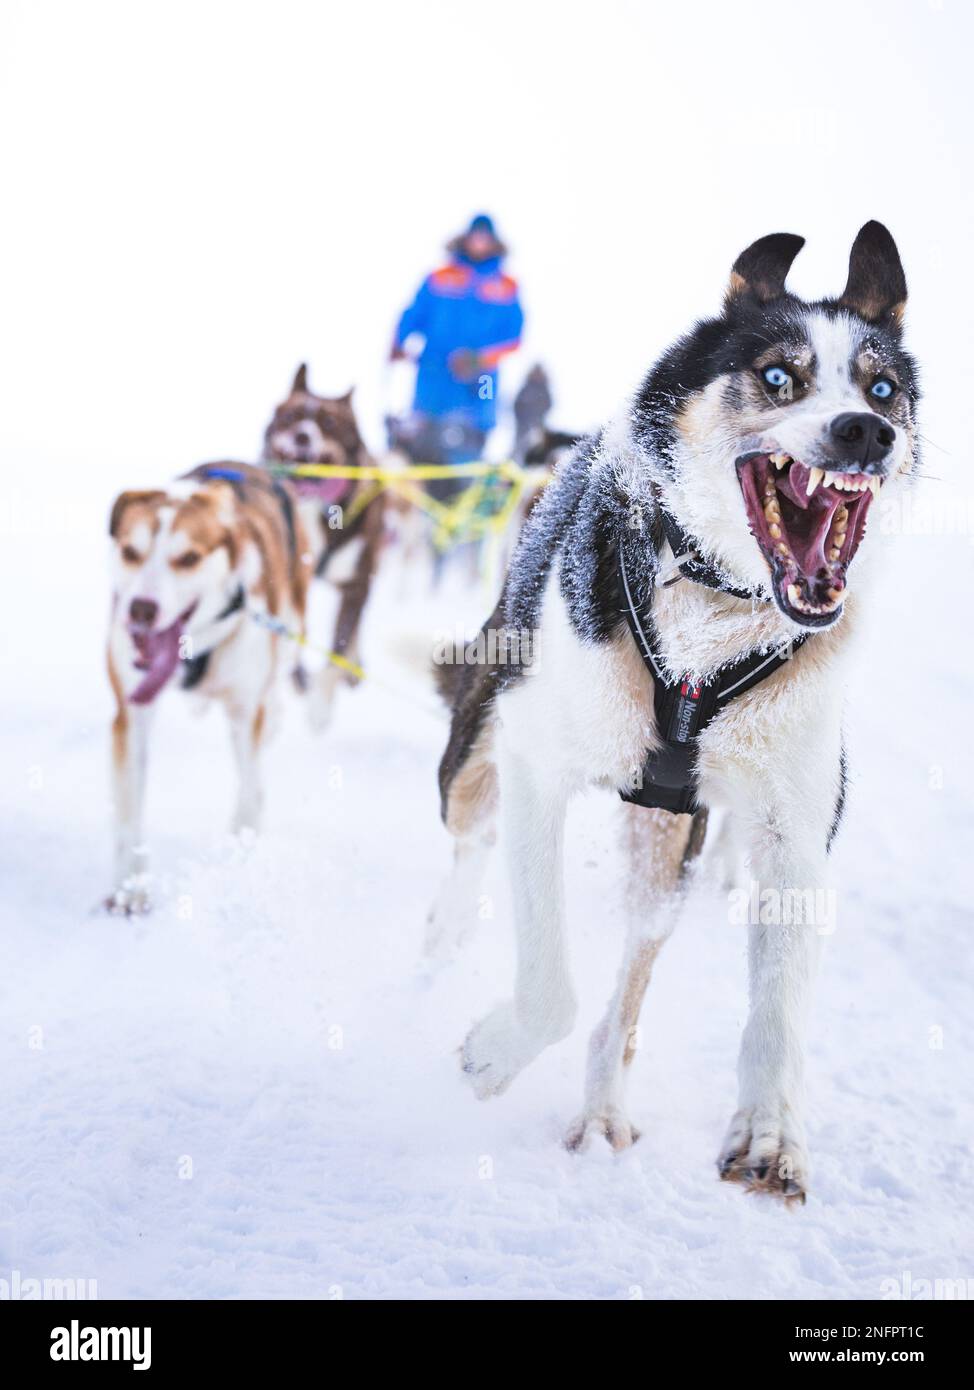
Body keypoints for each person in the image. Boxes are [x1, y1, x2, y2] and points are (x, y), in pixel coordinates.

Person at [390, 214, 524, 482]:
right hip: (434, 374)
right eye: (475, 236)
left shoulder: (506, 286)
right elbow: (415, 313)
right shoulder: (440, 277)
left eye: (485, 238)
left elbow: (514, 337)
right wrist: (399, 341)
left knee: (469, 443)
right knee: (422, 439)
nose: (479, 242)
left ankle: (467, 503)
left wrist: (480, 359)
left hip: (482, 379)